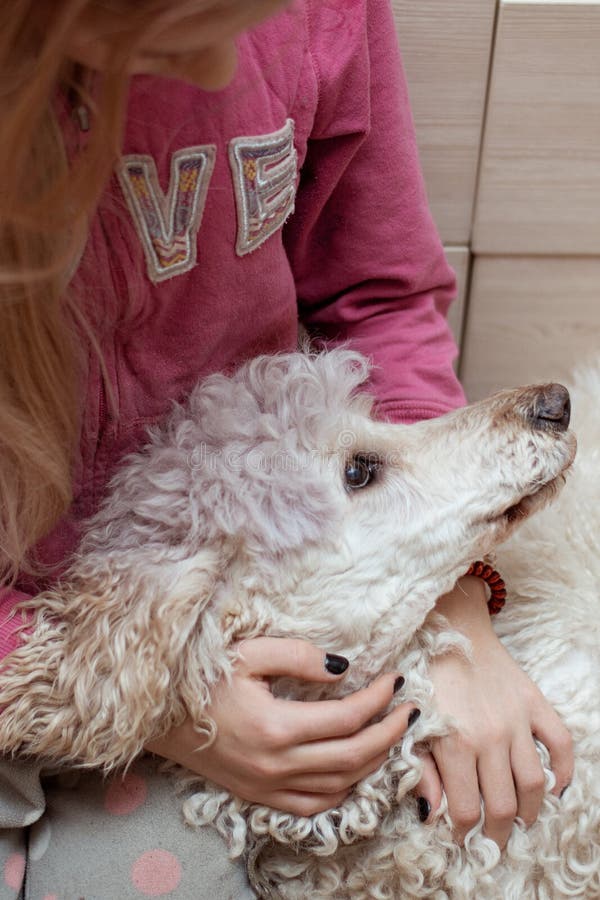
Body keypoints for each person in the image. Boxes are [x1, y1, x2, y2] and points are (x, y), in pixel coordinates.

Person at [0, 0, 573, 896]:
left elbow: (378, 299)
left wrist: (454, 621)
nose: (227, 75)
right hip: (58, 654)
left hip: (225, 649)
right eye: (178, 39)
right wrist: (163, 704)